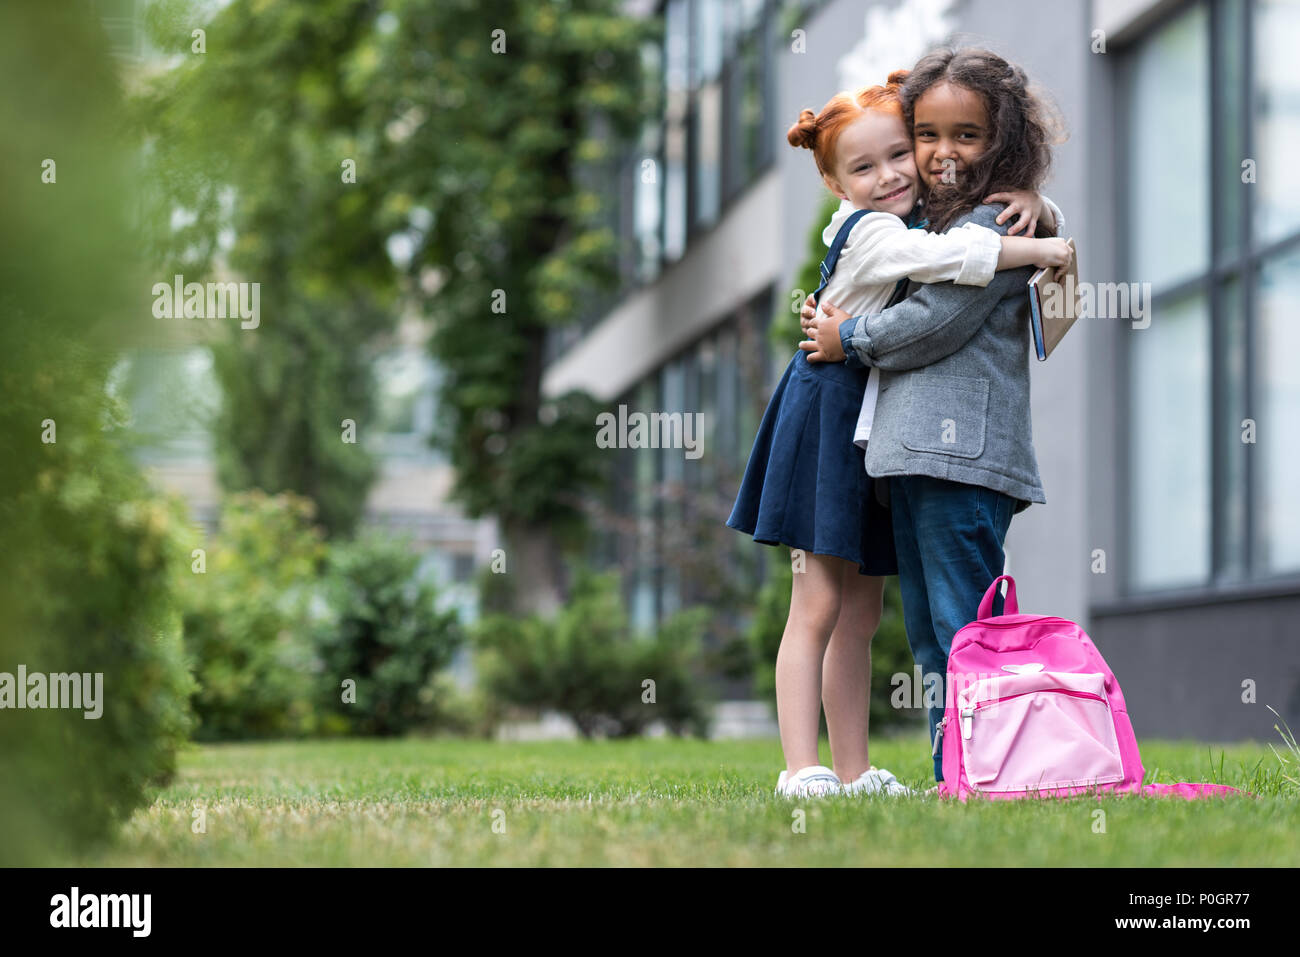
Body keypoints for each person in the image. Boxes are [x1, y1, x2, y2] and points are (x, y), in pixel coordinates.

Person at [729, 70, 1071, 799]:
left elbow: (959, 250)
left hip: (867, 415)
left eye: (897, 154)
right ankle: (802, 767)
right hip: (831, 411)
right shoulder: (882, 231)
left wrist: (1042, 208)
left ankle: (857, 770)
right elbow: (941, 274)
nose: (893, 173)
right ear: (833, 182)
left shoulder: (931, 215)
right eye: (866, 165)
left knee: (862, 610)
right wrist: (1041, 248)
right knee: (818, 603)